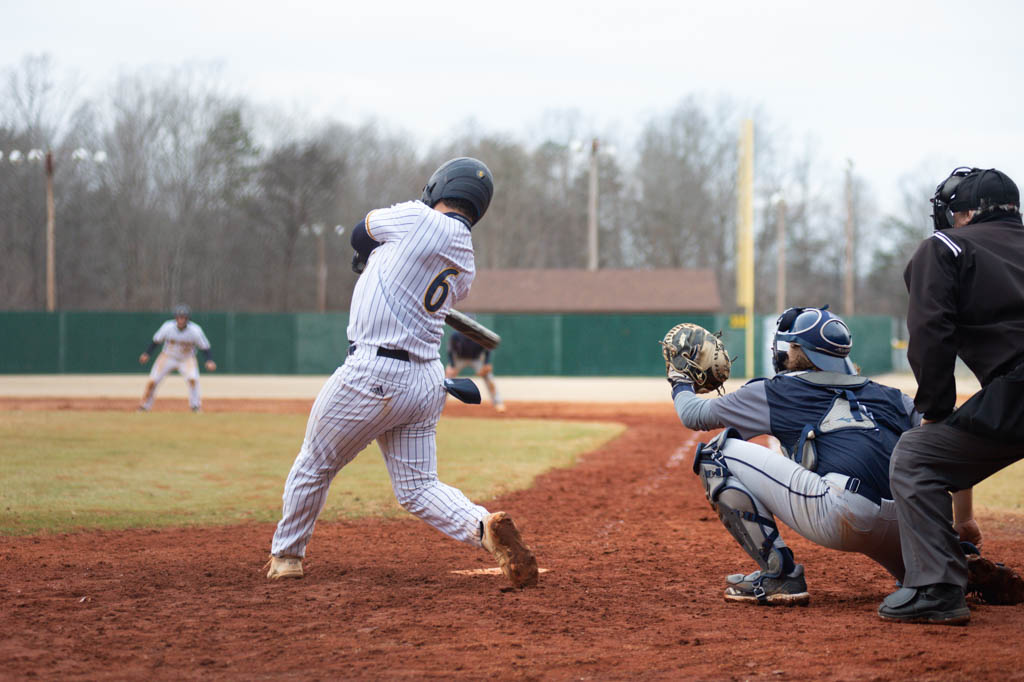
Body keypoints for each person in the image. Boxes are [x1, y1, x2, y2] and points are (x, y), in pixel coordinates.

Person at [265, 157, 539, 588]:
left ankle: (286, 557)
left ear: (440, 186)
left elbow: (360, 231)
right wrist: (379, 258)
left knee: (315, 463)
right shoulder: (465, 260)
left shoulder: (416, 216)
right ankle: (485, 527)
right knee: (418, 488)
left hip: (372, 372)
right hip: (426, 382)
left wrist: (364, 254)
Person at [671, 306, 919, 605]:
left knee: (717, 455)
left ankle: (779, 575)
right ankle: (944, 563)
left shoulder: (778, 391)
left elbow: (693, 414)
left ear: (799, 350)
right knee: (925, 576)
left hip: (843, 514)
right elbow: (942, 441)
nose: (785, 353)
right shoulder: (892, 396)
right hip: (909, 525)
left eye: (790, 346)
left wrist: (679, 378)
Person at [878, 167, 1024, 625]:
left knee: (917, 458)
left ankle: (936, 587)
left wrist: (936, 411)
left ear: (961, 214)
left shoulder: (945, 246)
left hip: (1018, 393)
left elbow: (930, 333)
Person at [137, 304, 216, 412]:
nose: (181, 319)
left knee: (193, 379)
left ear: (188, 318)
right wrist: (147, 354)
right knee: (153, 380)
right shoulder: (168, 327)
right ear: (175, 317)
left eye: (183, 317)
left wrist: (209, 360)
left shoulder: (195, 330)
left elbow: (205, 347)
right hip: (167, 357)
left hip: (187, 359)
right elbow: (156, 341)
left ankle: (195, 406)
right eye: (179, 317)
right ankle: (144, 406)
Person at [446, 328, 506, 412]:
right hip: (459, 359)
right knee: (447, 377)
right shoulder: (456, 335)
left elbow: (487, 349)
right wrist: (452, 365)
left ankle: (497, 402)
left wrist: (486, 363)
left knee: (489, 376)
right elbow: (450, 350)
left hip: (476, 359)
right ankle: (439, 403)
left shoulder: (480, 336)